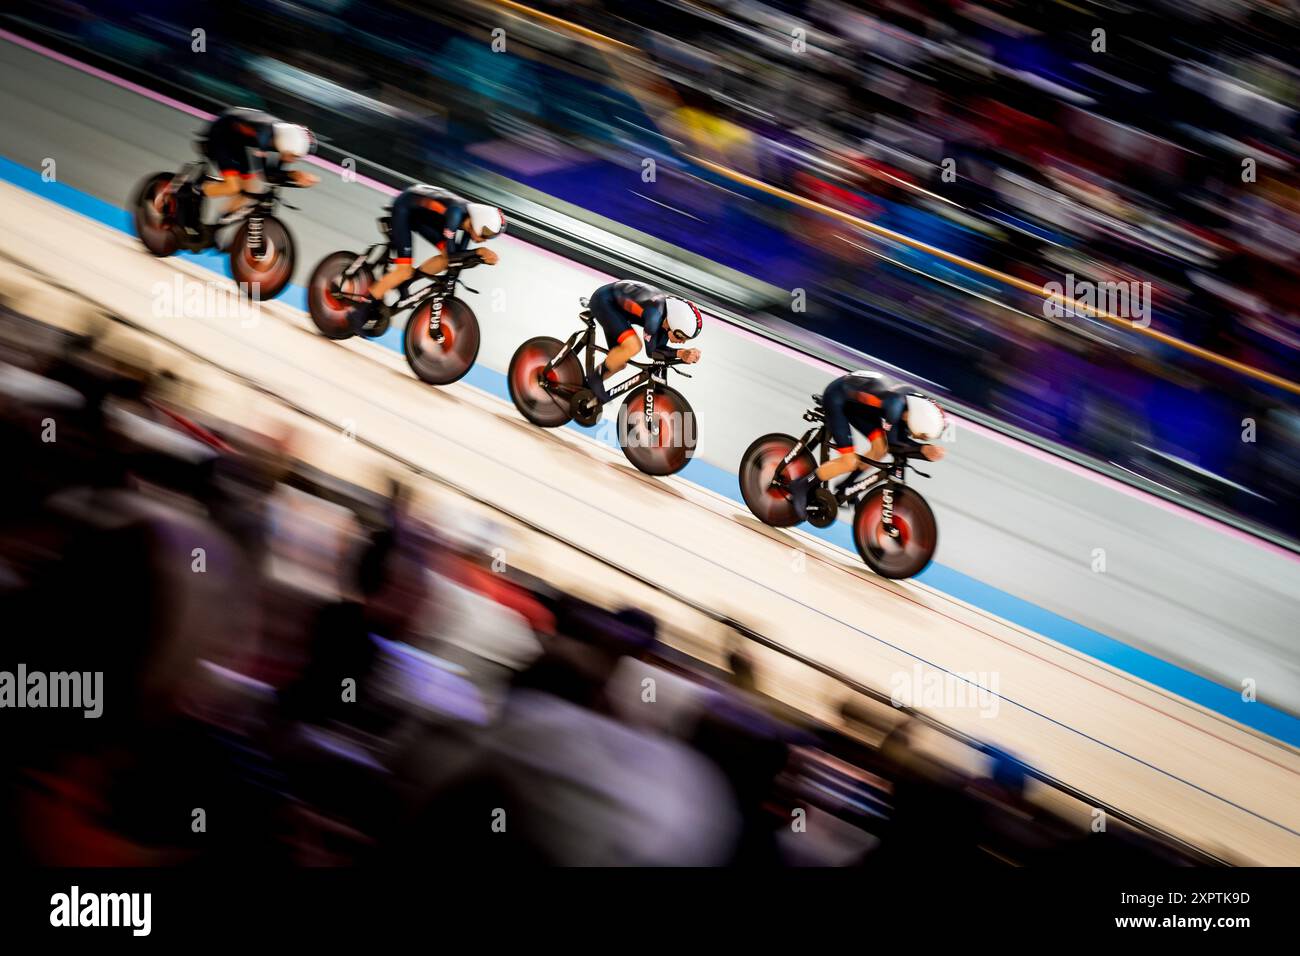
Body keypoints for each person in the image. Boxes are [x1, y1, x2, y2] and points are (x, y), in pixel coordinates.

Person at [787, 370, 947, 519]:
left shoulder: (910, 405)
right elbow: (895, 446)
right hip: (837, 398)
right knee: (848, 462)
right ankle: (801, 485)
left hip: (859, 405)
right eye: (922, 435)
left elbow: (899, 442)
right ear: (918, 421)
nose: (918, 437)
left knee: (879, 449)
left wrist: (923, 451)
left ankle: (846, 486)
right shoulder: (895, 406)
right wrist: (923, 450)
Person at [347, 184, 505, 332]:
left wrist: (475, 257)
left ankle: (405, 283)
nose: (486, 239)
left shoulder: (469, 222)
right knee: (403, 271)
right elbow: (453, 256)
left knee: (445, 260)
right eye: (487, 234)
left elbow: (456, 259)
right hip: (405, 209)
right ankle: (359, 310)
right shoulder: (456, 214)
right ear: (478, 223)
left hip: (423, 215)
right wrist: (479, 252)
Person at [160, 107, 318, 226]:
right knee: (233, 187)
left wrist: (296, 179)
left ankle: (216, 226)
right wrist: (294, 175)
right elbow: (266, 174)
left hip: (237, 141)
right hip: (220, 134)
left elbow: (272, 176)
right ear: (288, 145)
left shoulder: (281, 141)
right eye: (295, 156)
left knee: (250, 191)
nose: (294, 160)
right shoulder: (264, 133)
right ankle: (191, 191)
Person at [580, 280, 703, 406]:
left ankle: (585, 386)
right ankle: (594, 378)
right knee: (633, 346)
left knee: (619, 363)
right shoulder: (655, 316)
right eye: (680, 336)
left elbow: (659, 349)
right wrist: (680, 353)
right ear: (673, 323)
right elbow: (652, 352)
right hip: (604, 302)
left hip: (617, 310)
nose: (682, 341)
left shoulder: (666, 318)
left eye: (685, 339)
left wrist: (680, 353)